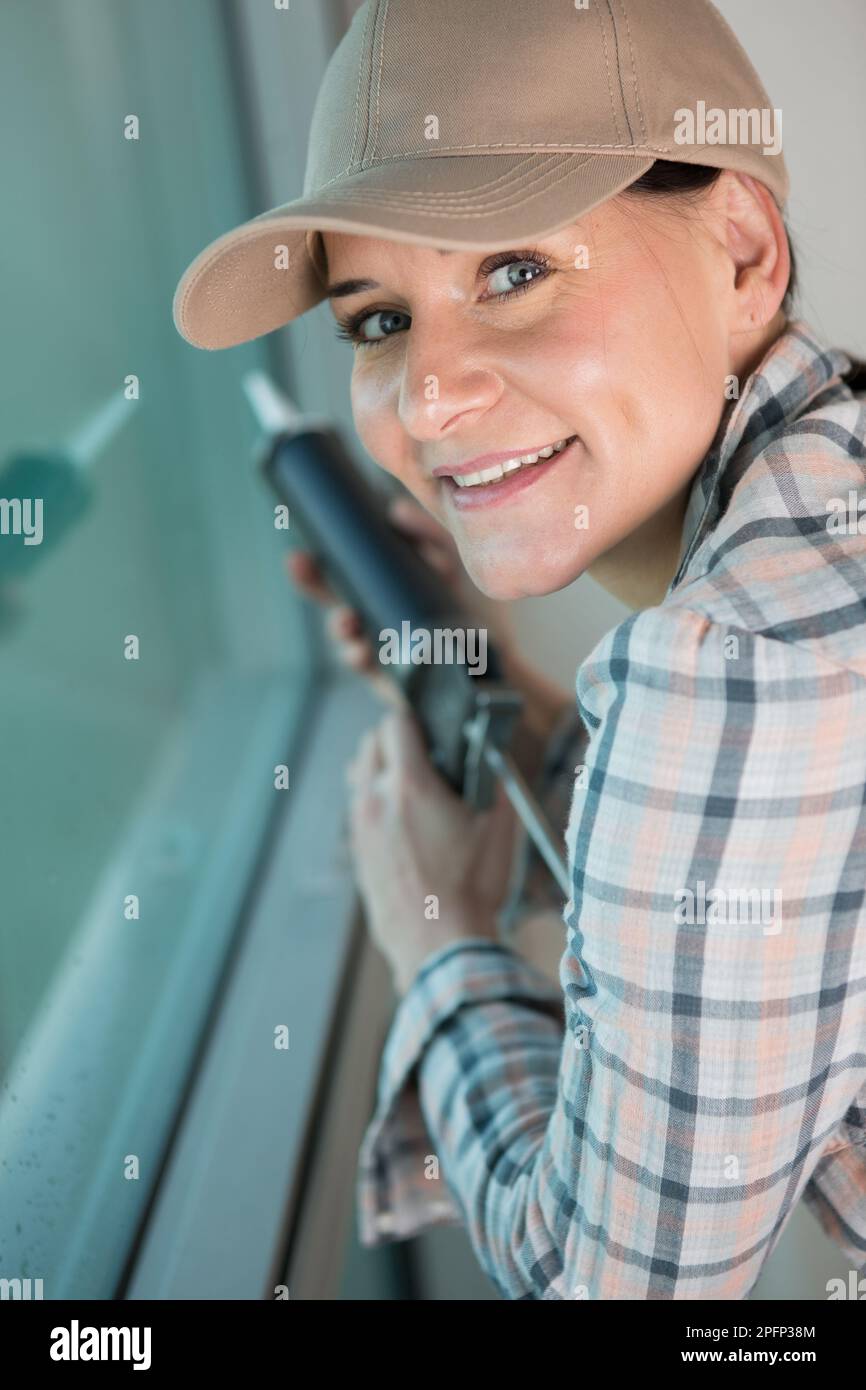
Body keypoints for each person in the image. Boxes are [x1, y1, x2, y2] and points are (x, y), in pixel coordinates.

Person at [173, 0, 866, 1299]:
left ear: (741, 251)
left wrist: (436, 936)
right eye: (377, 320)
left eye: (510, 272)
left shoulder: (719, 677)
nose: (430, 392)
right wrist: (520, 723)